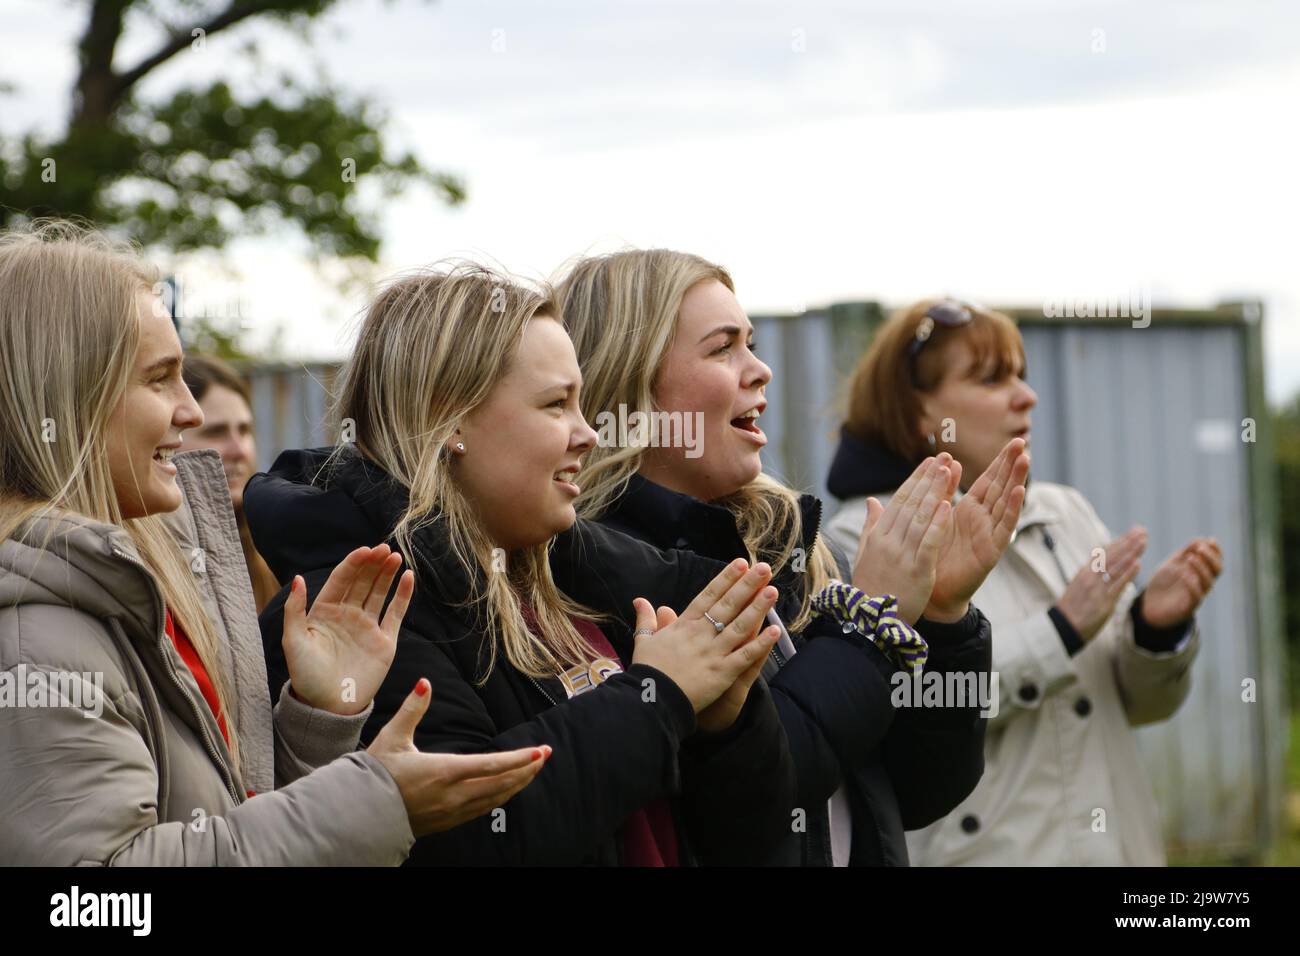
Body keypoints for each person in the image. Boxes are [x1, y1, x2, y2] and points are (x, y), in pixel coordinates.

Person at [0, 223, 548, 865]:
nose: (191, 413)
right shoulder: (32, 639)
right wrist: (371, 804)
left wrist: (315, 720)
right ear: (66, 397)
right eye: (159, 379)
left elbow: (223, 818)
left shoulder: (128, 585)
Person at [247, 262, 797, 865]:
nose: (588, 434)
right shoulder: (361, 607)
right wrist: (658, 698)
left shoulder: (578, 580)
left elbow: (758, 842)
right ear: (448, 417)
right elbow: (478, 837)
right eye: (556, 404)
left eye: (582, 403)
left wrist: (726, 730)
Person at [554, 248, 1031, 865]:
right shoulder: (589, 580)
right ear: (629, 380)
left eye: (751, 343)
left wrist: (944, 616)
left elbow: (917, 791)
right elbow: (762, 793)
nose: (761, 370)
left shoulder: (798, 550)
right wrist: (869, 622)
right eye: (723, 347)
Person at [824, 298, 1221, 865]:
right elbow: (903, 703)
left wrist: (1155, 632)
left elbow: (1143, 706)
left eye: (1022, 375)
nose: (1026, 396)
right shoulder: (864, 537)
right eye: (991, 378)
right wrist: (1058, 632)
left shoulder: (1065, 511)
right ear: (917, 411)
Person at [179, 353, 280, 611]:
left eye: (244, 431)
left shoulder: (276, 553)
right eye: (216, 432)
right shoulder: (156, 559)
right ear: (169, 439)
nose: (239, 451)